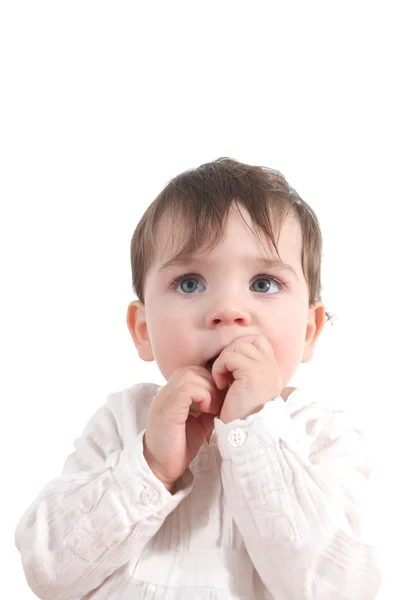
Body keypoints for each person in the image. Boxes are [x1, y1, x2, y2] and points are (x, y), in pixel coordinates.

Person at [15, 158, 382, 599]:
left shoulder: (324, 435)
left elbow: (339, 589)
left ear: (308, 332)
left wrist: (258, 431)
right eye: (189, 283)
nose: (227, 310)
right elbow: (50, 574)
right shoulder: (124, 422)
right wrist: (148, 466)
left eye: (264, 283)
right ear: (143, 329)